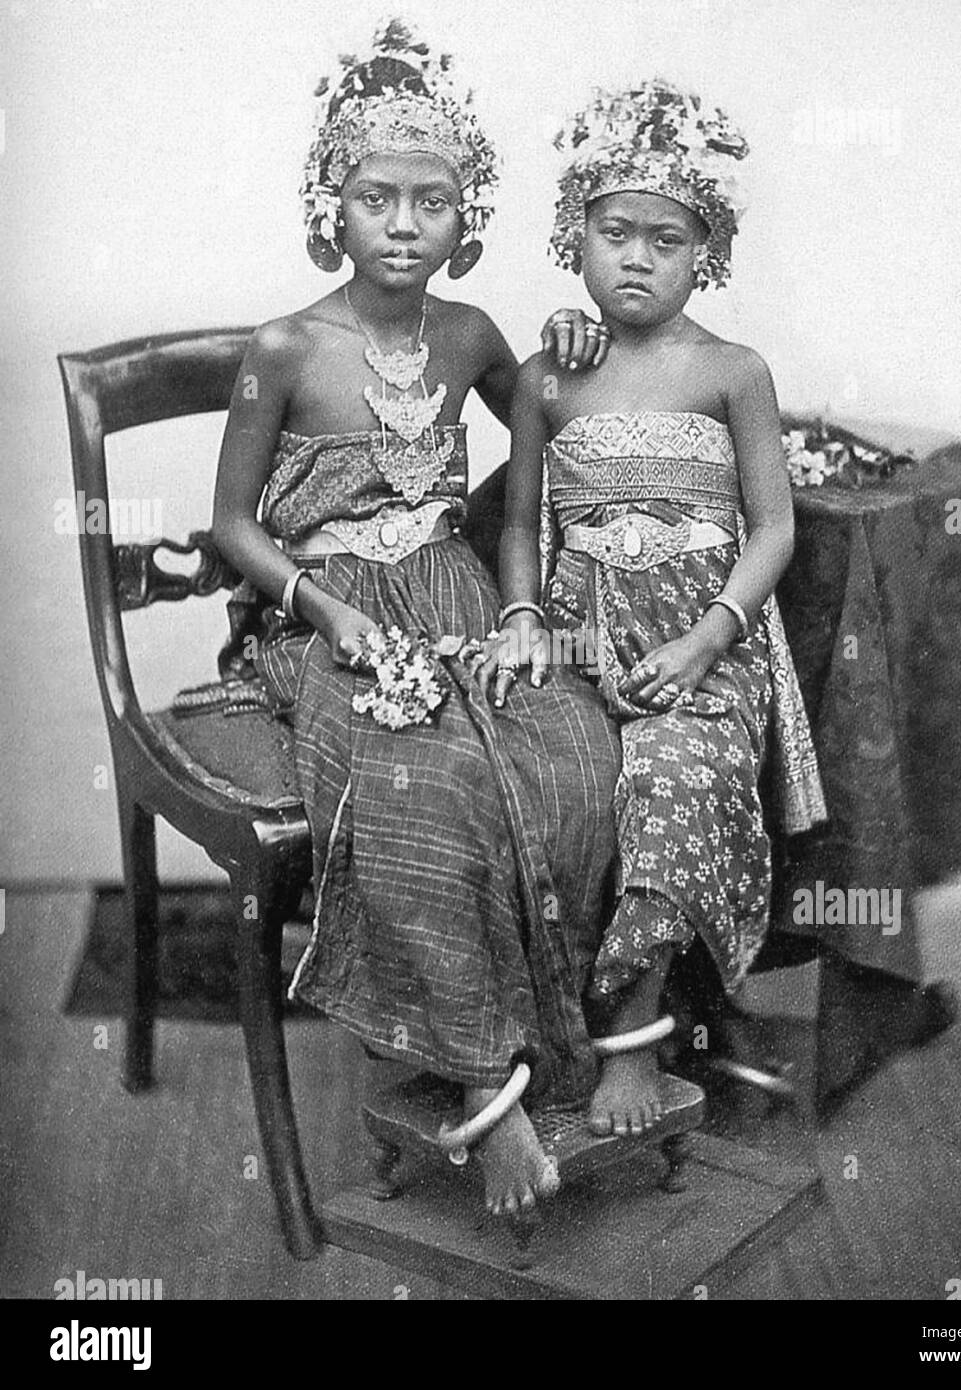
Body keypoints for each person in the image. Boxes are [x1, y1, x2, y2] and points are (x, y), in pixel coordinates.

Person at [210, 20, 621, 1218]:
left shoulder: (472, 335)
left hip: (456, 592)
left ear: (466, 217)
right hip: (319, 617)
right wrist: (328, 614)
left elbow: (553, 421)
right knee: (418, 783)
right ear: (330, 209)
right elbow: (233, 525)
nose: (403, 223)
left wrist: (572, 341)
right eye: (376, 197)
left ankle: (568, 1039)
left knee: (574, 748)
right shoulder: (282, 348)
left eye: (431, 201)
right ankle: (484, 1091)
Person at [491, 77, 827, 1139]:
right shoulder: (550, 375)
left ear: (707, 252)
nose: (636, 258)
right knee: (541, 782)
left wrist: (704, 641)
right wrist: (521, 617)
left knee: (674, 773)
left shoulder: (733, 372)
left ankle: (635, 1043)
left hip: (700, 652)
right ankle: (528, 1040)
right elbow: (515, 524)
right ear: (573, 239)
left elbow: (774, 530)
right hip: (582, 642)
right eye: (614, 232)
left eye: (667, 239)